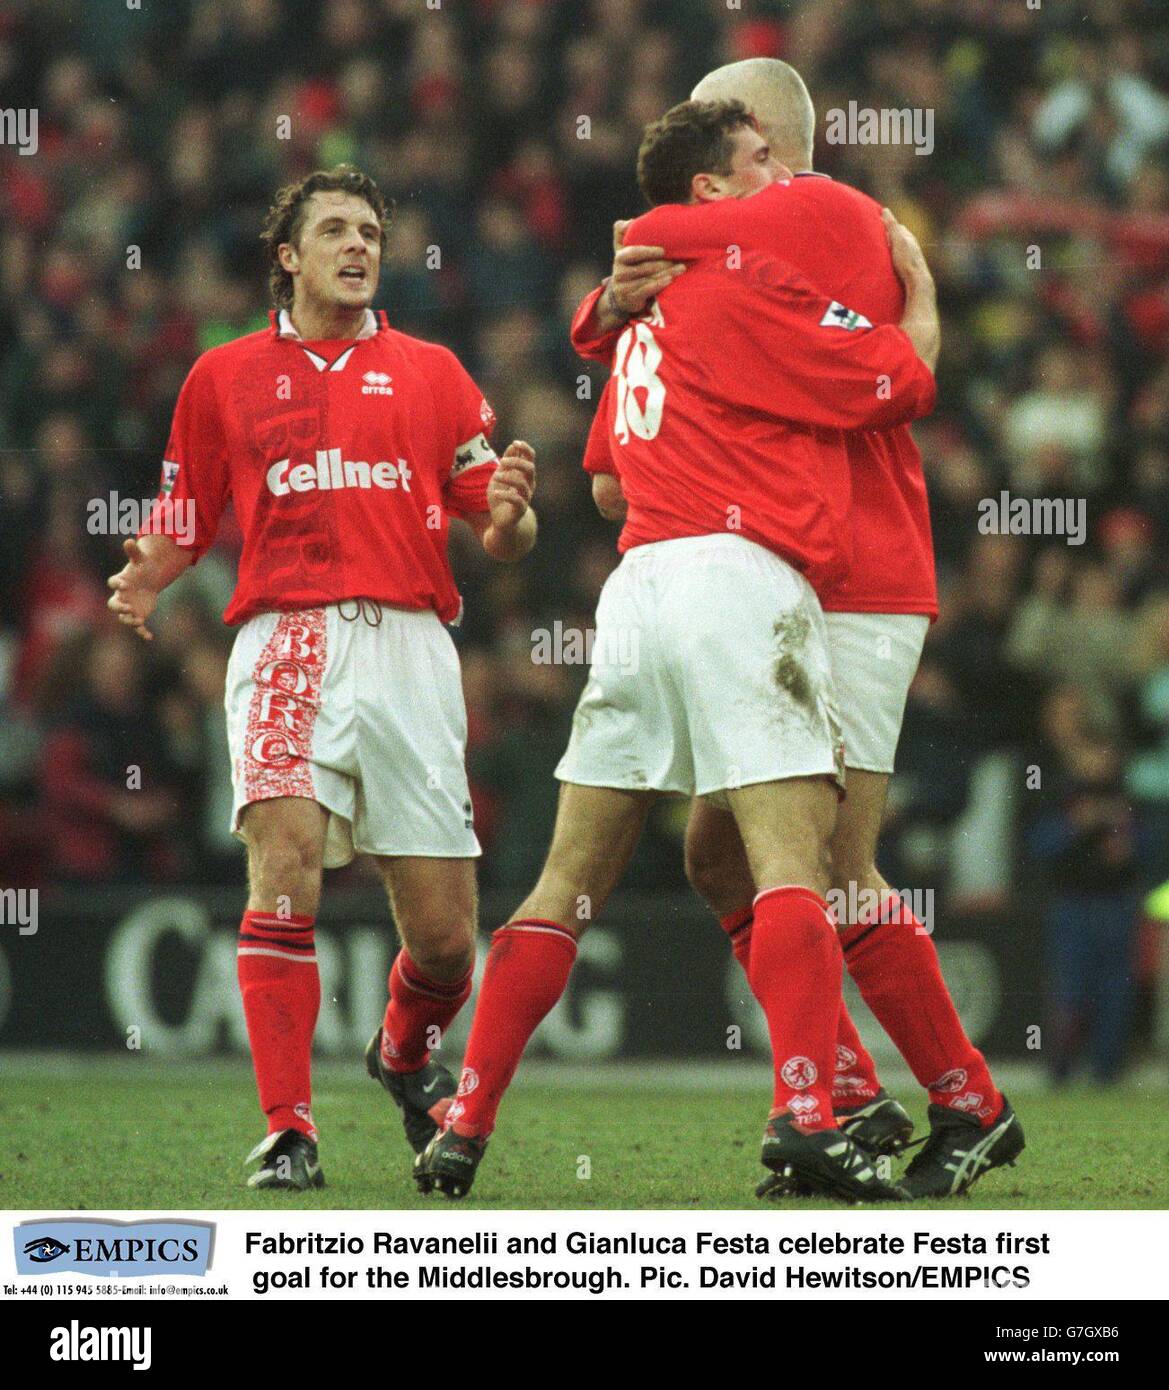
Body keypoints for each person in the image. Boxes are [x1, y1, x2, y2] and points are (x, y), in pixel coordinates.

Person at [418, 101, 939, 1203]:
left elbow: (602, 477)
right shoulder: (752, 281)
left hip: (638, 586)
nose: (783, 175)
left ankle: (463, 1120)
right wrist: (923, 299)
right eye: (761, 160)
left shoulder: (642, 311)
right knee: (790, 861)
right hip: (738, 579)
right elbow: (902, 379)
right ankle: (808, 1113)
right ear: (709, 189)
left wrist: (616, 321)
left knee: (566, 880)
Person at [574, 59, 1025, 1201]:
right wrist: (607, 305)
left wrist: (613, 290)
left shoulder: (816, 211)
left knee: (832, 861)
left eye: (728, 136)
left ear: (759, 139)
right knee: (719, 849)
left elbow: (643, 251)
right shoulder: (747, 243)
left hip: (862, 573)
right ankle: (850, 1094)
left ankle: (959, 1100)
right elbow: (618, 303)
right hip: (785, 570)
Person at [107, 166, 538, 1190]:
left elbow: (497, 529)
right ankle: (288, 1128)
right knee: (284, 866)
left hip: (410, 649)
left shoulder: (432, 371)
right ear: (287, 257)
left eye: (372, 232)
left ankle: (398, 1053)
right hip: (284, 640)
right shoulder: (221, 377)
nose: (358, 245)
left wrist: (514, 512)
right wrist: (148, 573)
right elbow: (190, 508)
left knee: (443, 941)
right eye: (336, 230)